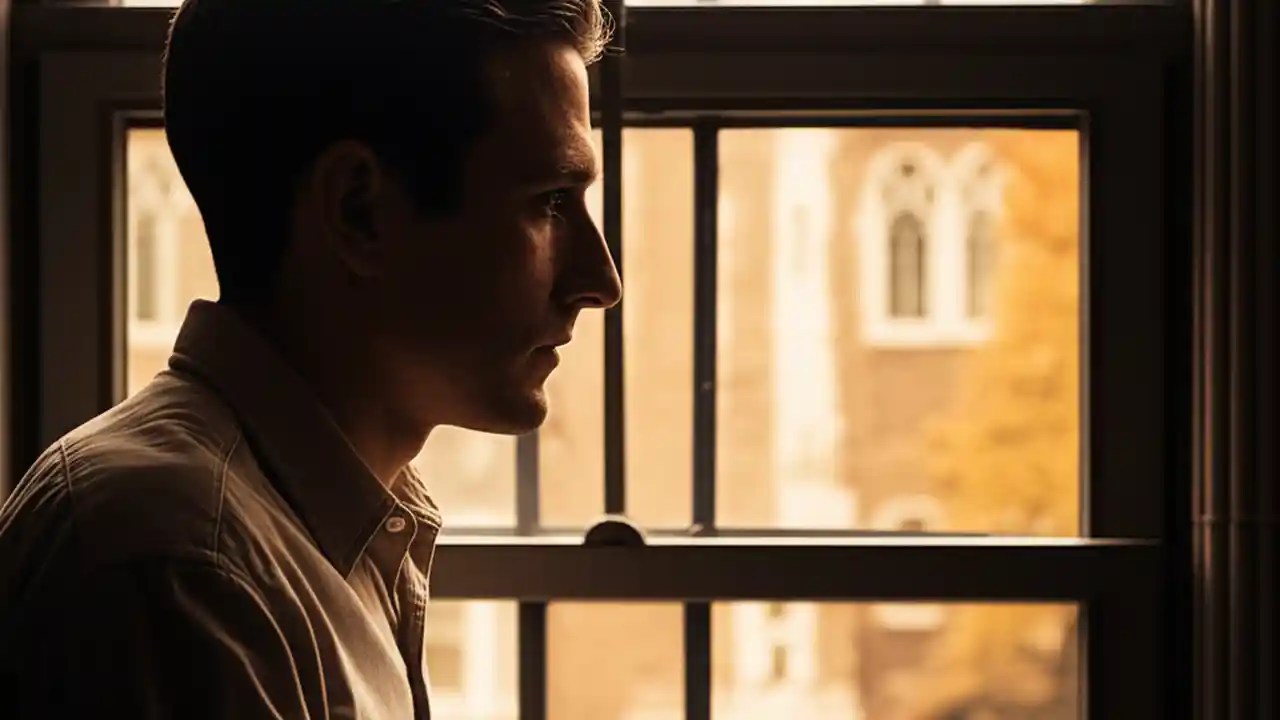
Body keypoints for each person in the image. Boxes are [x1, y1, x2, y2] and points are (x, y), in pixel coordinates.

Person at [0, 0, 621, 716]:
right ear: (359, 212)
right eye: (548, 202)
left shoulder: (289, 540)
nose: (599, 281)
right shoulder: (184, 569)